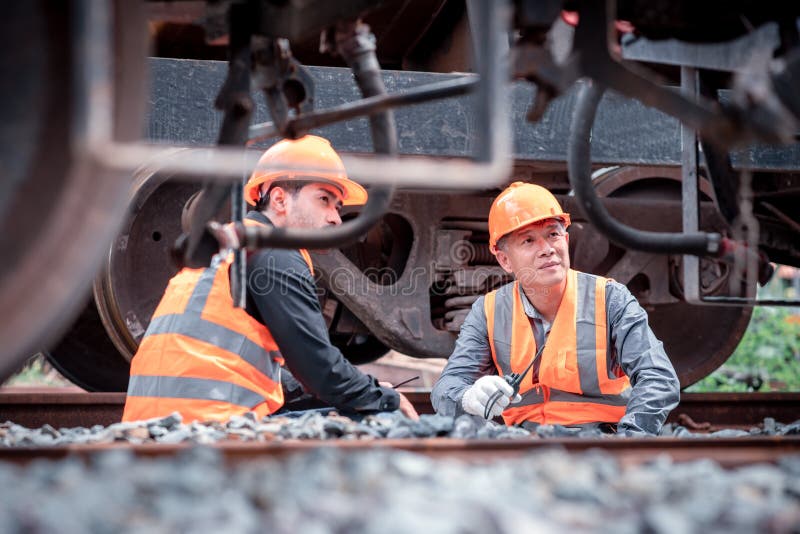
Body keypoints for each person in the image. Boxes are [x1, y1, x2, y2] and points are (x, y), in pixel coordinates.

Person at [123, 135, 418, 423]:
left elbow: (277, 373)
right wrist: (385, 398)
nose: (336, 219)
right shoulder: (276, 253)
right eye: (324, 200)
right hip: (209, 425)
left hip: (153, 425)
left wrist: (363, 389)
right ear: (279, 200)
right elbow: (321, 371)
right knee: (381, 417)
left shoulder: (231, 247)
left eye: (338, 207)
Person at [431, 182, 679, 436]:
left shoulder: (610, 298)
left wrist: (629, 439)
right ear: (504, 260)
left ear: (566, 239)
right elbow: (446, 388)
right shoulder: (488, 311)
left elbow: (659, 378)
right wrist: (468, 397)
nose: (547, 249)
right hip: (523, 447)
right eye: (528, 240)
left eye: (553, 234)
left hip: (602, 441)